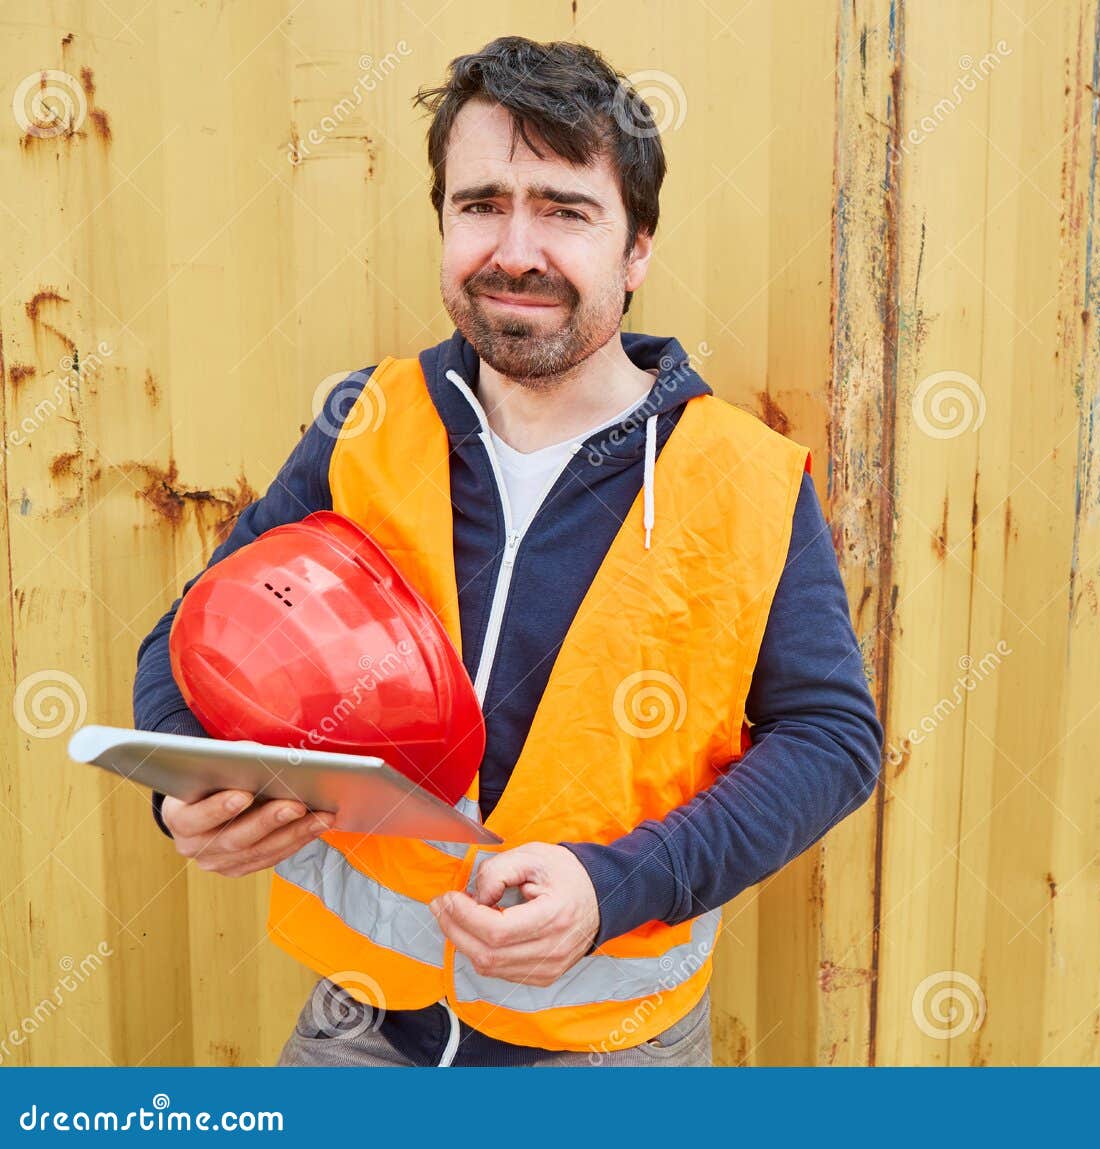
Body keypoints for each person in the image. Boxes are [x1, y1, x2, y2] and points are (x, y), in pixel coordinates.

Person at [132, 36, 883, 1068]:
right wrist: (185, 785)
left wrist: (615, 884)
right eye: (480, 203)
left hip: (613, 1057)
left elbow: (832, 739)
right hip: (357, 1039)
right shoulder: (366, 420)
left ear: (637, 248)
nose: (514, 249)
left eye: (565, 210)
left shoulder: (744, 476)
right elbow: (195, 631)